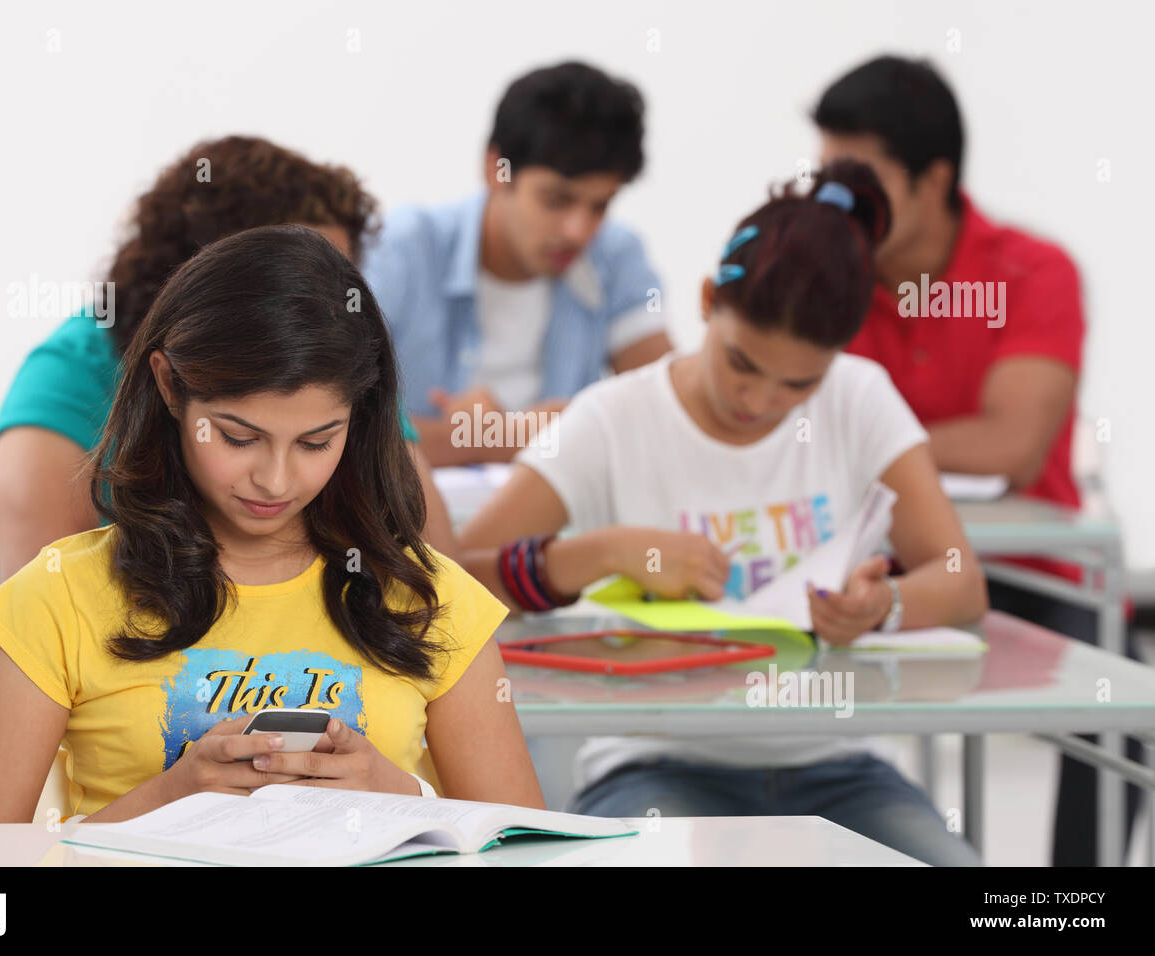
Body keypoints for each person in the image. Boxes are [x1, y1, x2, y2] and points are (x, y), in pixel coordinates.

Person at [0, 135, 455, 865]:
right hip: (39, 749)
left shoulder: (330, 375)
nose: (318, 315)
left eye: (341, 291)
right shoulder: (70, 380)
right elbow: (41, 637)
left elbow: (424, 552)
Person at [457, 160, 989, 866]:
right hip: (658, 763)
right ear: (709, 301)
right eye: (742, 363)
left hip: (838, 764)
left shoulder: (859, 398)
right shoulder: (616, 418)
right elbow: (450, 585)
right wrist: (603, 551)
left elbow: (959, 580)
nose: (761, 401)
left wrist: (884, 603)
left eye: (799, 382)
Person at [813, 55, 1140, 866]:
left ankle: (1073, 902)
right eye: (827, 175)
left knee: (1120, 705)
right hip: (865, 567)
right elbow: (792, 423)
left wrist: (876, 435)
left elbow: (1013, 446)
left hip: (1031, 578)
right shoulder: (826, 275)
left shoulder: (1033, 271)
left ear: (934, 179)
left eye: (862, 176)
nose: (839, 200)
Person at [363, 60, 672, 466]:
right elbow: (336, 427)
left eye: (599, 206)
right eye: (556, 200)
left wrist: (470, 436)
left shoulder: (615, 255)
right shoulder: (403, 249)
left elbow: (665, 416)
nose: (578, 231)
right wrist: (495, 437)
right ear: (496, 169)